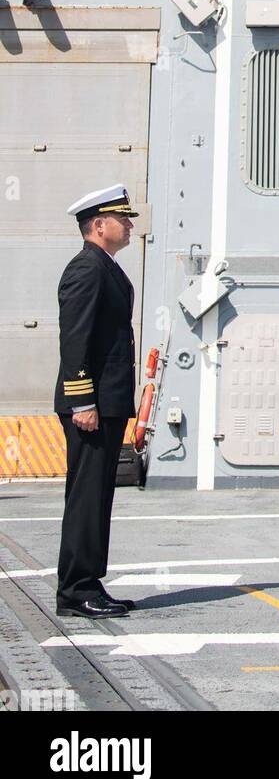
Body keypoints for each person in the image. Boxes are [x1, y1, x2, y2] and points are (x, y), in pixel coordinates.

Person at [54, 185, 139, 618]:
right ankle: (75, 589)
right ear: (98, 225)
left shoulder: (104, 267)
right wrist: (82, 400)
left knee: (97, 495)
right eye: (122, 219)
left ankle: (88, 581)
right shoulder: (87, 268)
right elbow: (75, 340)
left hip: (105, 403)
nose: (129, 225)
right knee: (86, 497)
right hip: (92, 406)